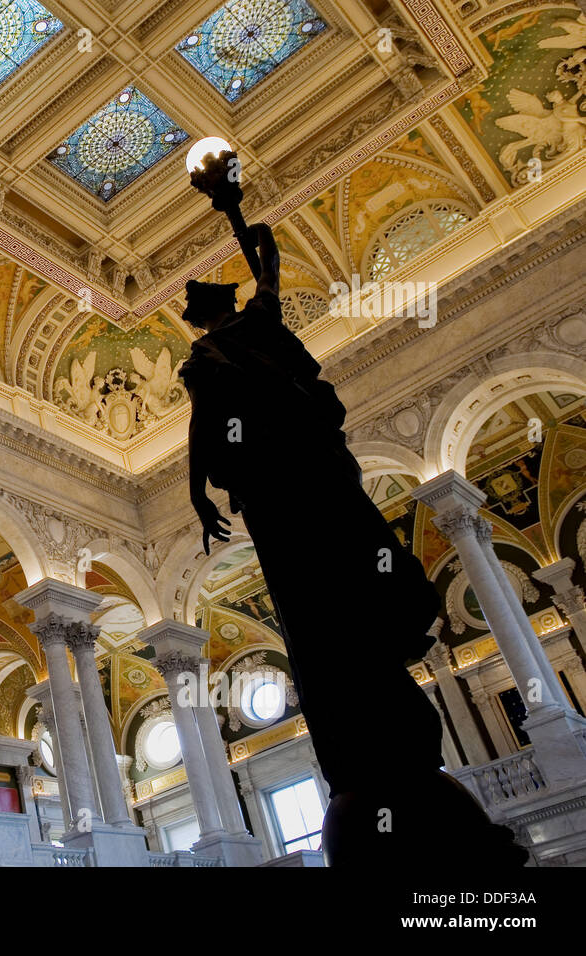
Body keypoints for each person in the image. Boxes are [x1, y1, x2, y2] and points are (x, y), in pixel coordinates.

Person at [178, 198, 525, 865]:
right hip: (306, 484)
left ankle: (366, 673)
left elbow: (204, 433)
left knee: (321, 615)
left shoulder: (217, 351)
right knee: (339, 604)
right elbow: (269, 273)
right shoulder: (247, 330)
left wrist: (200, 494)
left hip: (287, 494)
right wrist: (248, 226)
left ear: (199, 315)